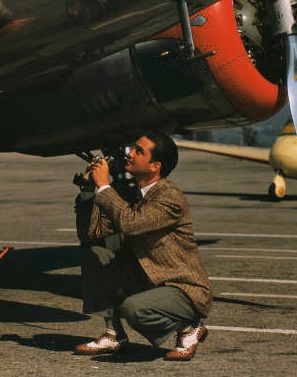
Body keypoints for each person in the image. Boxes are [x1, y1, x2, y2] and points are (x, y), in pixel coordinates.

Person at [73, 131, 212, 361]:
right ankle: (113, 334)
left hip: (181, 287)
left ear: (154, 166)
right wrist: (89, 190)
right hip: (149, 278)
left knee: (134, 310)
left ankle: (190, 328)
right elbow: (92, 234)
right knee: (96, 252)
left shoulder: (169, 197)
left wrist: (105, 187)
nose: (130, 154)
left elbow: (131, 224)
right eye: (133, 148)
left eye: (139, 151)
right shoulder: (132, 194)